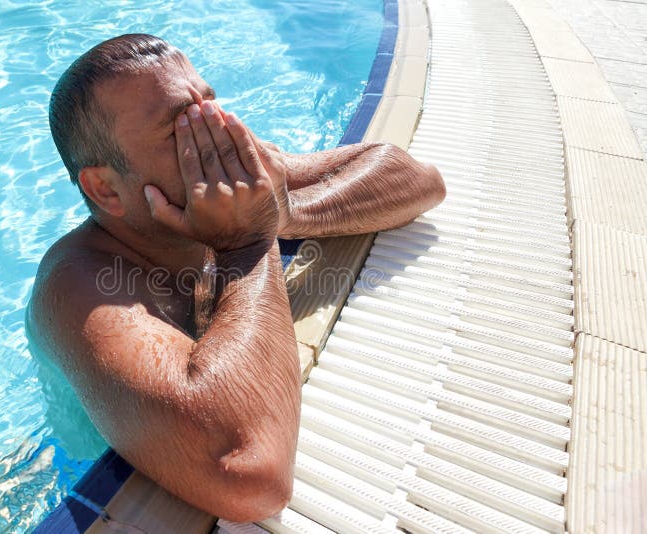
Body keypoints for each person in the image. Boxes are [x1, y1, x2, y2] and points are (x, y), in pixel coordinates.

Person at [27, 33, 444, 522]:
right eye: (182, 125)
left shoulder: (209, 181)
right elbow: (248, 476)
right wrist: (248, 240)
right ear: (106, 189)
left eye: (210, 104)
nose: (220, 130)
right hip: (78, 470)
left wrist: (284, 211)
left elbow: (416, 179)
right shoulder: (81, 285)